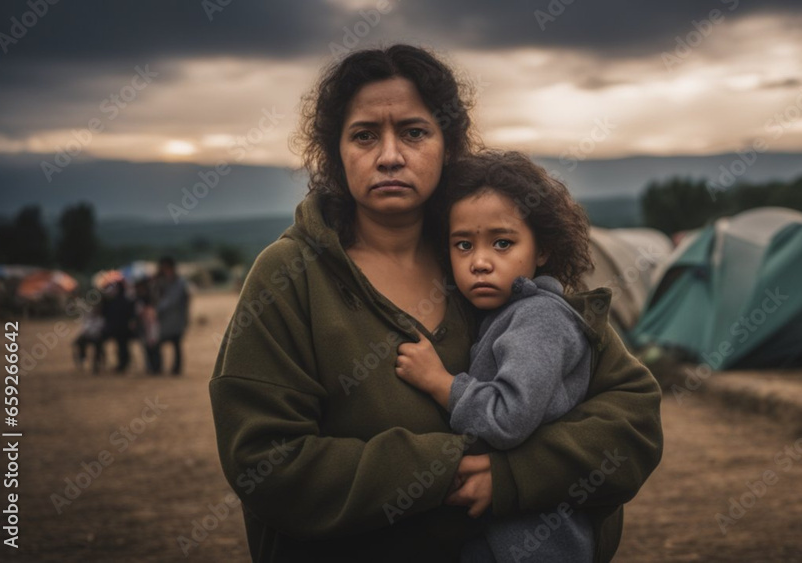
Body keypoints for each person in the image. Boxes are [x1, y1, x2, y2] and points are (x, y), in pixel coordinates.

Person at [209, 44, 663, 562]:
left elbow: (633, 422)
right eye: (364, 136)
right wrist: (447, 469)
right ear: (336, 154)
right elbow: (264, 463)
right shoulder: (288, 277)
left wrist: (512, 476)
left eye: (414, 132)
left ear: (449, 146)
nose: (389, 156)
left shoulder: (489, 263)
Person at [395, 151, 598, 562]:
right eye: (463, 245)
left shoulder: (539, 318)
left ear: (542, 249)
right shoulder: (502, 314)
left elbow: (510, 418)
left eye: (503, 243)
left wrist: (441, 382)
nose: (481, 262)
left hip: (534, 544)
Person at [153, 256, 189, 375]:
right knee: (159, 343)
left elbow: (175, 299)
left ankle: (176, 369)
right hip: (163, 320)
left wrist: (158, 308)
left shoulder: (179, 282)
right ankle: (157, 367)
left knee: (176, 344)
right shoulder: (159, 282)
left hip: (176, 318)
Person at [100, 280, 135, 374]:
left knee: (122, 347)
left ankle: (123, 364)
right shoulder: (115, 300)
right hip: (118, 328)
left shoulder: (121, 300)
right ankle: (121, 364)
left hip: (121, 328)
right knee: (121, 347)